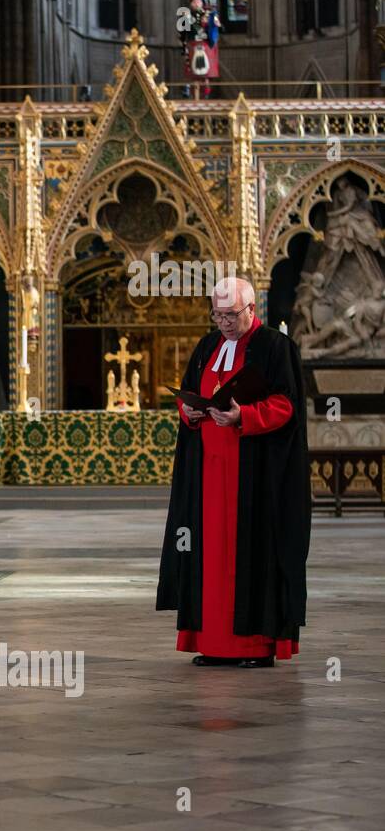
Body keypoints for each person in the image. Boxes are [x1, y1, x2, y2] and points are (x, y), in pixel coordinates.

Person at [157, 277, 310, 668]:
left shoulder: (277, 347)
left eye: (230, 315)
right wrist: (188, 412)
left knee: (250, 554)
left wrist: (246, 416)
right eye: (217, 314)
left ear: (252, 310)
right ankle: (213, 643)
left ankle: (255, 647)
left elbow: (287, 405)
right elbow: (192, 390)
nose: (223, 322)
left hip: (254, 477)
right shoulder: (208, 346)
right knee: (207, 556)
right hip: (208, 475)